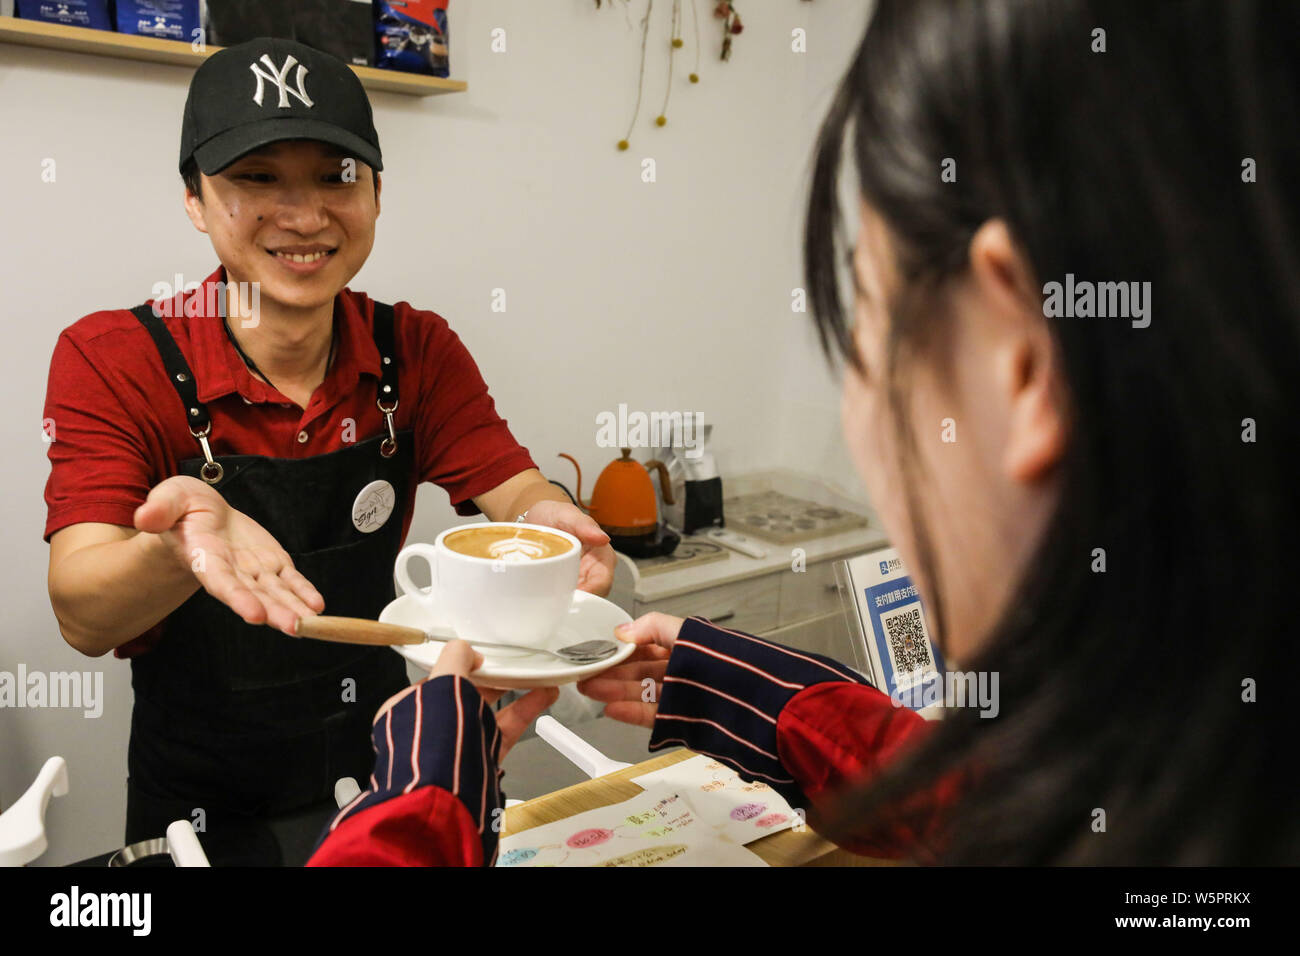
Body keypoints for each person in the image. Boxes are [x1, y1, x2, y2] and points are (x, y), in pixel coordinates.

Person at [310, 0, 1298, 866]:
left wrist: (422, 806)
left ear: (1017, 362)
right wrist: (754, 685)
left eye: (858, 325)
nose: (299, 213)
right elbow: (976, 802)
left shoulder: (418, 346)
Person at [42, 37, 613, 866]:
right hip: (194, 806)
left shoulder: (416, 348)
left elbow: (514, 489)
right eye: (258, 177)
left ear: (378, 191)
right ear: (196, 200)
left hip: (387, 765)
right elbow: (80, 614)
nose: (305, 216)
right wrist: (181, 545)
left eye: (337, 176)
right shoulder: (112, 357)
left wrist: (554, 523)